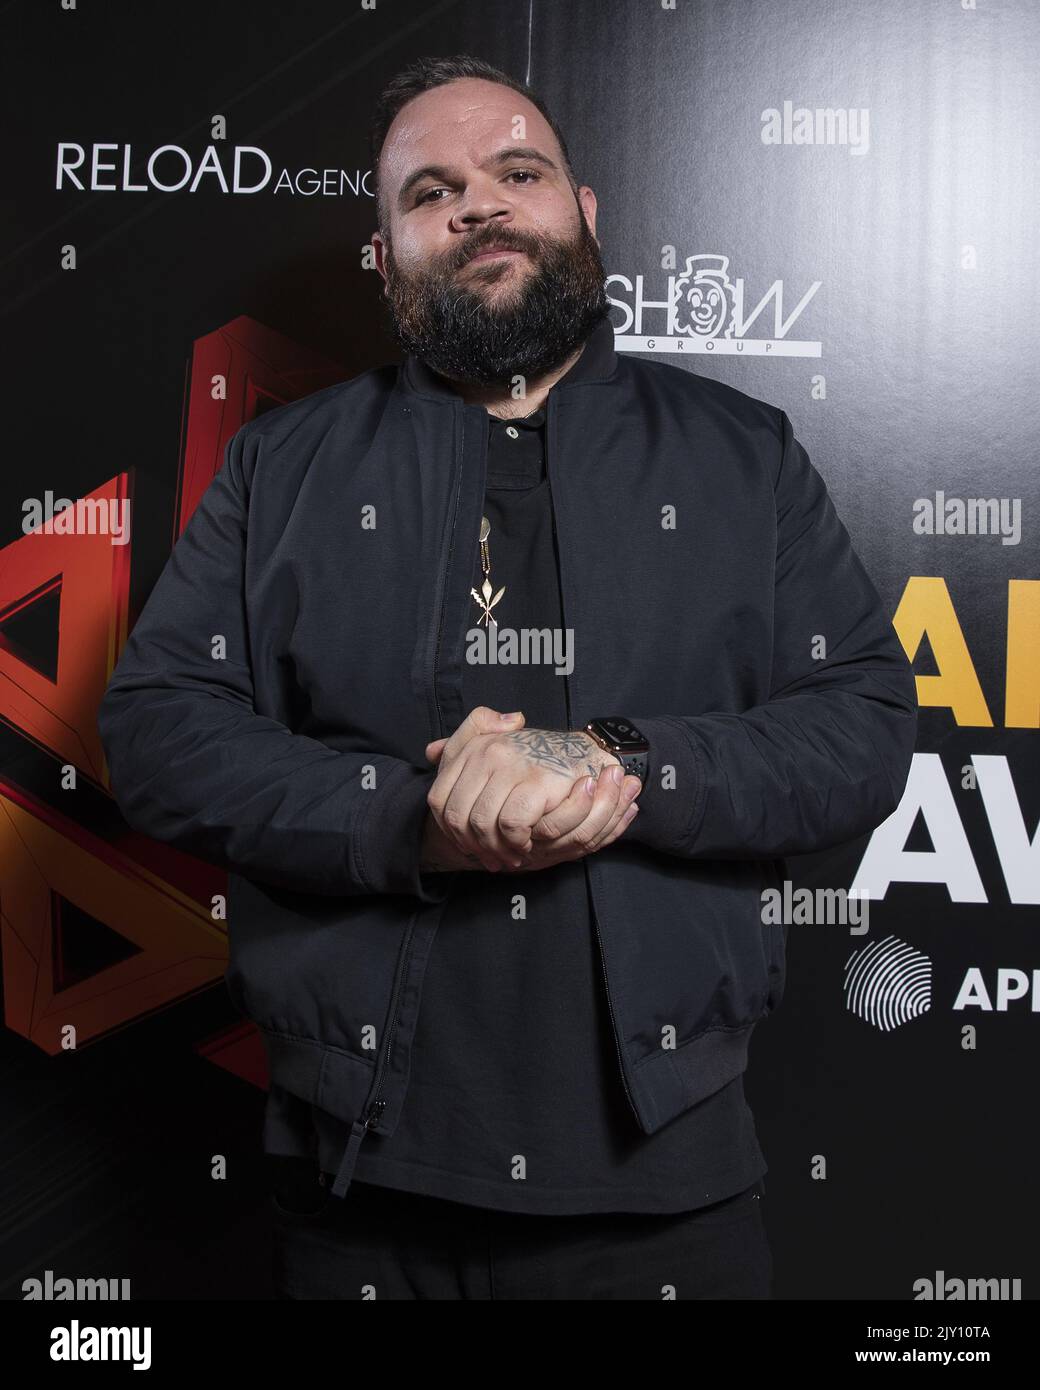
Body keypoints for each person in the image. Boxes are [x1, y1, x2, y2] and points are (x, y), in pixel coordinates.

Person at [97, 54, 918, 1300]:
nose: (477, 204)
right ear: (385, 258)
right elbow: (159, 729)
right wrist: (410, 820)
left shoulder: (741, 456)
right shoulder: (283, 468)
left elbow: (857, 724)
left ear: (584, 215)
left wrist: (619, 758)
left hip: (667, 1189)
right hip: (361, 1189)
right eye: (431, 191)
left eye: (514, 173)